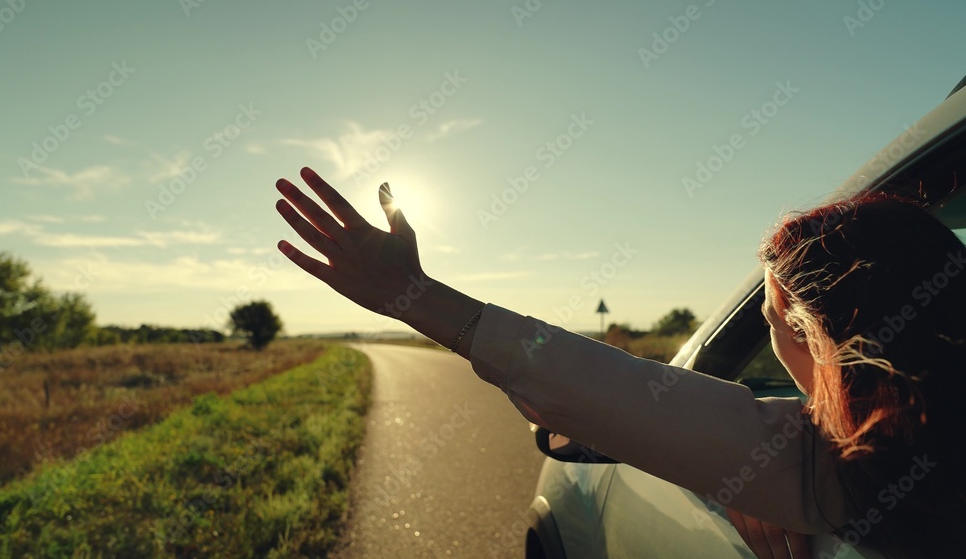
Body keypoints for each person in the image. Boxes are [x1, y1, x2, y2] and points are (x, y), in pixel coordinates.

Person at [273, 167, 965, 558]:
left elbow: (619, 395)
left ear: (817, 333)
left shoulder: (860, 474)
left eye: (778, 328)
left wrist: (414, 297)